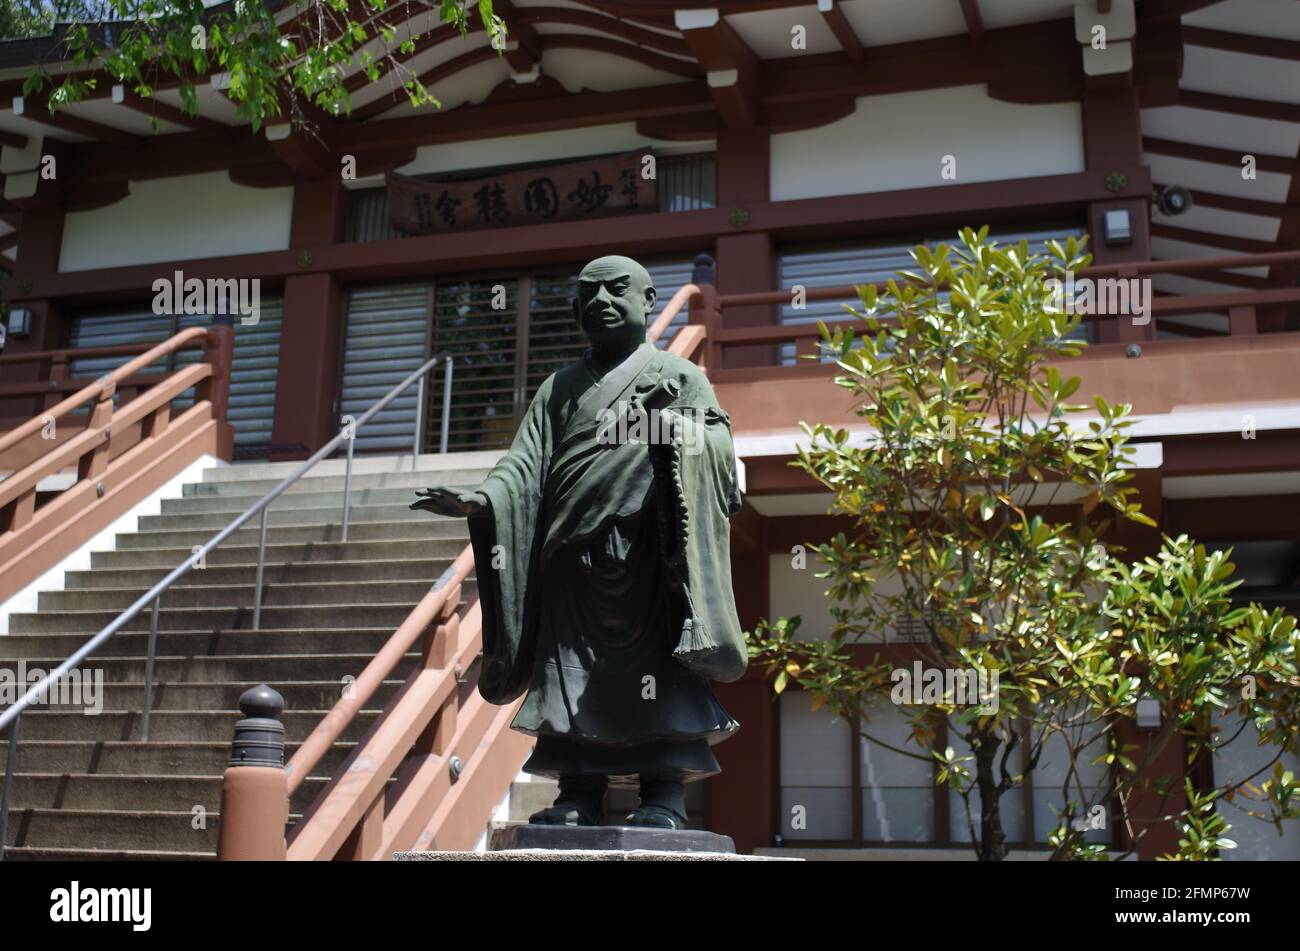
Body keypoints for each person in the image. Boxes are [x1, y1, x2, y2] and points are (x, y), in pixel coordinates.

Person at [412, 255, 746, 829]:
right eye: (588, 295)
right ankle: (578, 789)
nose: (601, 302)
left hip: (647, 553)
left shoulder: (678, 376)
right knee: (567, 674)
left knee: (659, 675)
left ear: (647, 301)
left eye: (617, 290)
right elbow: (523, 465)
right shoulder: (559, 387)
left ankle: (663, 792)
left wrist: (673, 430)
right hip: (569, 558)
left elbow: (716, 451)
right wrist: (482, 502)